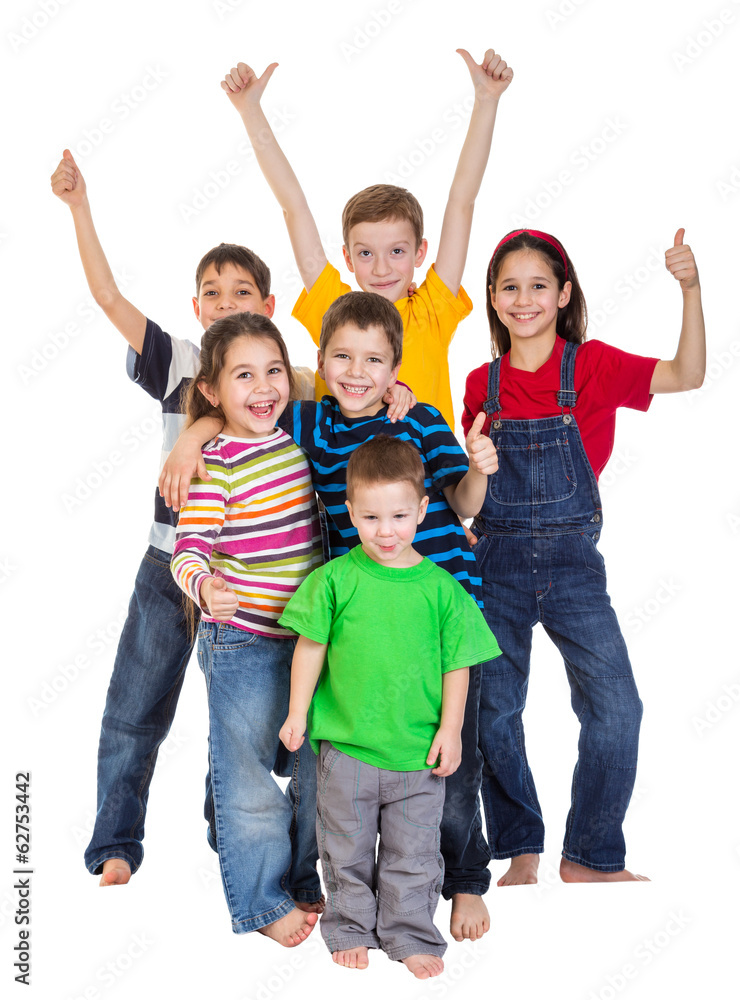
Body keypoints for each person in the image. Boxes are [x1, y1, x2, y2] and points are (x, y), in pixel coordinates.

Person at [161, 290, 499, 941]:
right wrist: (190, 441)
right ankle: (329, 883)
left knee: (450, 760)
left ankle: (462, 881)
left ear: (396, 369)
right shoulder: (311, 423)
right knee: (352, 763)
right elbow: (237, 408)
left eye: (375, 360)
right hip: (358, 628)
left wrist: (480, 467)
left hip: (437, 619)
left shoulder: (419, 418)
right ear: (319, 362)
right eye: (342, 356)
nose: (357, 371)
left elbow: (460, 500)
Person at [51, 148, 299, 886]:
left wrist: (198, 433)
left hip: (253, 577)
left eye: (242, 290)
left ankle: (232, 832)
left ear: (268, 305)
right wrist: (78, 208)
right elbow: (105, 295)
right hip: (170, 564)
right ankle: (116, 843)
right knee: (136, 706)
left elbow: (350, 386)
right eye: (213, 292)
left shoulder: (285, 374)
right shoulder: (180, 361)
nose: (227, 302)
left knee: (249, 720)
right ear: (197, 309)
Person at [462, 227, 705, 886]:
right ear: (492, 297)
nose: (524, 298)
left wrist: (690, 288)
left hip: (573, 566)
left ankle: (590, 855)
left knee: (617, 708)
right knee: (491, 711)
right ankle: (521, 848)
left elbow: (689, 374)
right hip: (497, 563)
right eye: (509, 286)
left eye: (539, 285)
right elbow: (469, 489)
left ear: (564, 293)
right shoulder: (479, 384)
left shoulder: (594, 365)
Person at [277, 436, 502, 978]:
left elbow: (459, 665)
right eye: (371, 516)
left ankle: (408, 933)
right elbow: (311, 645)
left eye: (400, 516)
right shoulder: (335, 580)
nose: (385, 531)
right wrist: (297, 713)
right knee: (345, 851)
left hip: (417, 754)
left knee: (414, 856)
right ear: (350, 510)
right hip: (347, 752)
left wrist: (451, 729)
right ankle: (351, 928)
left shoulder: (444, 590)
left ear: (423, 510)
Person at [219, 48, 513, 430]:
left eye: (396, 251)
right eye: (365, 253)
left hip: (425, 486)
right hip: (343, 486)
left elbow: (462, 201)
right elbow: (294, 206)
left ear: (420, 251)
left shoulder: (431, 312)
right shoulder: (333, 309)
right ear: (347, 257)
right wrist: (250, 111)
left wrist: (486, 102)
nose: (381, 267)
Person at [170, 311, 325, 945]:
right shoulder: (216, 463)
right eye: (243, 376)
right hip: (243, 639)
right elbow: (188, 549)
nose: (263, 388)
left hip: (306, 640)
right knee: (248, 775)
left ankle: (304, 877)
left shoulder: (291, 435)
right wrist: (206, 584)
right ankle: (261, 902)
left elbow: (345, 377)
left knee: (318, 763)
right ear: (211, 391)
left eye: (272, 372)